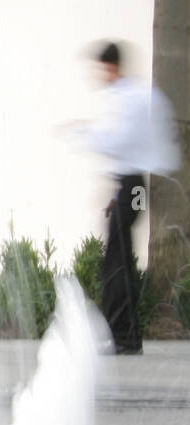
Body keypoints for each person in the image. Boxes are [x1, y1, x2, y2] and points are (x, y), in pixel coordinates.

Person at [73, 42, 181, 355]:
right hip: (132, 188)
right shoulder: (134, 96)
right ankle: (125, 335)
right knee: (120, 256)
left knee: (117, 262)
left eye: (101, 70)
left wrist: (82, 133)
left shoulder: (127, 99)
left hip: (132, 186)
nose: (100, 77)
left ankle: (123, 336)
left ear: (111, 67)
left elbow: (116, 142)